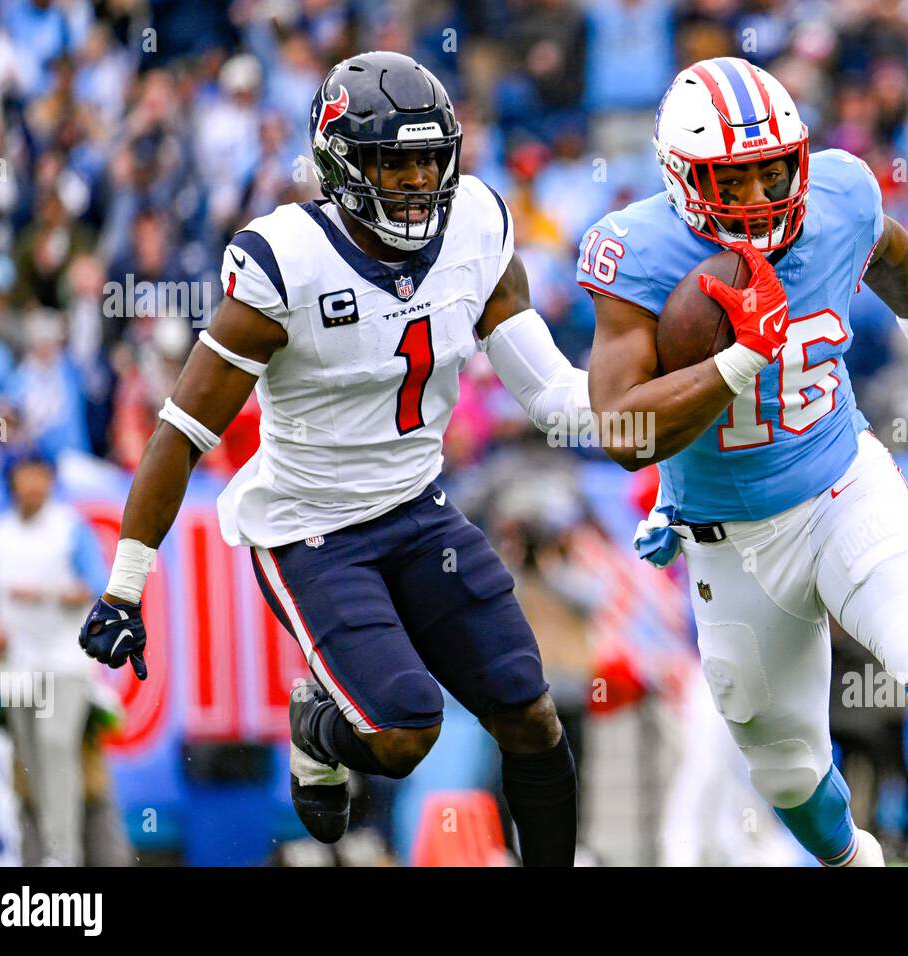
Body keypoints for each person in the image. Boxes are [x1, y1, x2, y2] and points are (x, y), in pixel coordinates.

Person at [77, 52, 591, 866]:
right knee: (403, 733)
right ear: (342, 164)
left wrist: (666, 406)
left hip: (420, 509)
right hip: (313, 529)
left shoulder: (478, 226)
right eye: (396, 162)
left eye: (431, 158)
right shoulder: (286, 264)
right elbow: (180, 432)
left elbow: (558, 394)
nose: (421, 181)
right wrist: (124, 587)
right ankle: (317, 720)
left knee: (531, 716)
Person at [581, 57, 908, 867]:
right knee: (789, 773)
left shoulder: (839, 194)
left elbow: (895, 256)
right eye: (736, 181)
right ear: (684, 179)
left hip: (841, 482)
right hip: (725, 535)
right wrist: (739, 361)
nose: (764, 195)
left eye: (776, 170)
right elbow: (621, 433)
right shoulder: (641, 254)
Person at [0, 452, 107, 865]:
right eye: (26, 477)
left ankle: (65, 853)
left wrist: (46, 594)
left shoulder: (68, 528)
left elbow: (97, 584)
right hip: (18, 665)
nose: (33, 486)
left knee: (56, 743)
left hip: (66, 661)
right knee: (28, 758)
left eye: (40, 477)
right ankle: (46, 846)